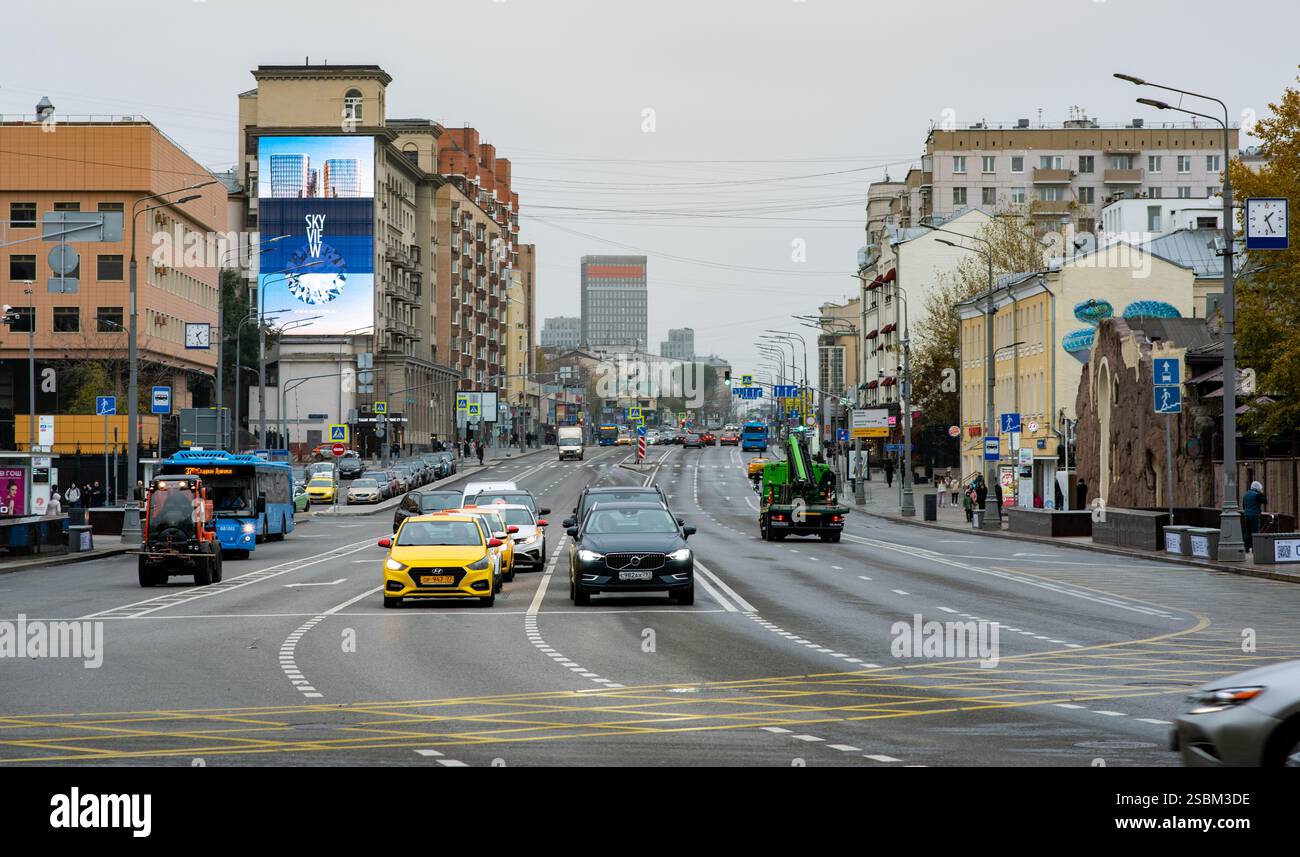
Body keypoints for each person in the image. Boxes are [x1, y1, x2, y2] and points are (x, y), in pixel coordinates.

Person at [1242, 480, 1266, 553]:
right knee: (1255, 532)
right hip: (1254, 515)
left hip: (1246, 515)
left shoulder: (1245, 494)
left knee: (1247, 532)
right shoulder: (1257, 495)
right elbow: (1265, 501)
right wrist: (1262, 494)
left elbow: (1243, 505)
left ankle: (1246, 548)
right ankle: (1255, 548)